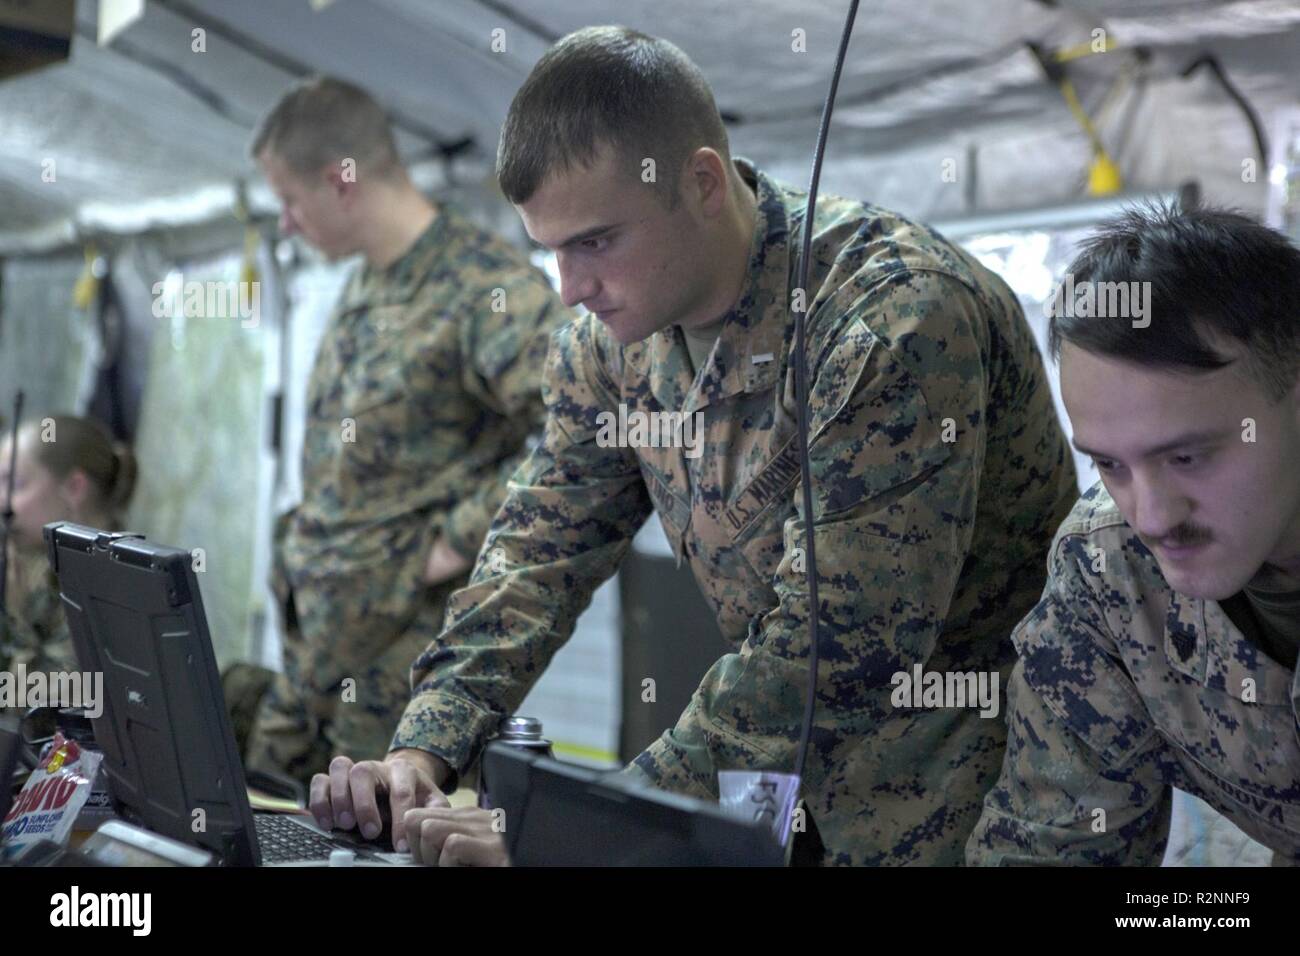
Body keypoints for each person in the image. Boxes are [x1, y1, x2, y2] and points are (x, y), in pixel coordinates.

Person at [312, 26, 1077, 866]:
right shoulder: (610, 344)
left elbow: (836, 651)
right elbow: (539, 553)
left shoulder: (888, 320)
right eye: (552, 250)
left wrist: (587, 832)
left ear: (703, 182)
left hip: (985, 808)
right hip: (786, 802)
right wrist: (423, 749)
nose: (570, 287)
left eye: (595, 241)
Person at [240, 76, 570, 789]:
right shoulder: (366, 282)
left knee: (366, 842)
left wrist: (457, 537)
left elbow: (581, 420)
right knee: (253, 818)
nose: (287, 225)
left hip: (401, 665)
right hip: (315, 649)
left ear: (340, 181)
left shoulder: (484, 287)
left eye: (291, 202)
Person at [968, 203, 1300, 865]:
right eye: (1110, 465)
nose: (1152, 518)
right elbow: (1048, 849)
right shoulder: (1107, 570)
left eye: (1187, 457)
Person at [0, 414, 136, 677]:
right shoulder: (50, 569)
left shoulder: (108, 594)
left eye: (15, 484)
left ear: (74, 487)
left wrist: (15, 619)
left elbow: (31, 702)